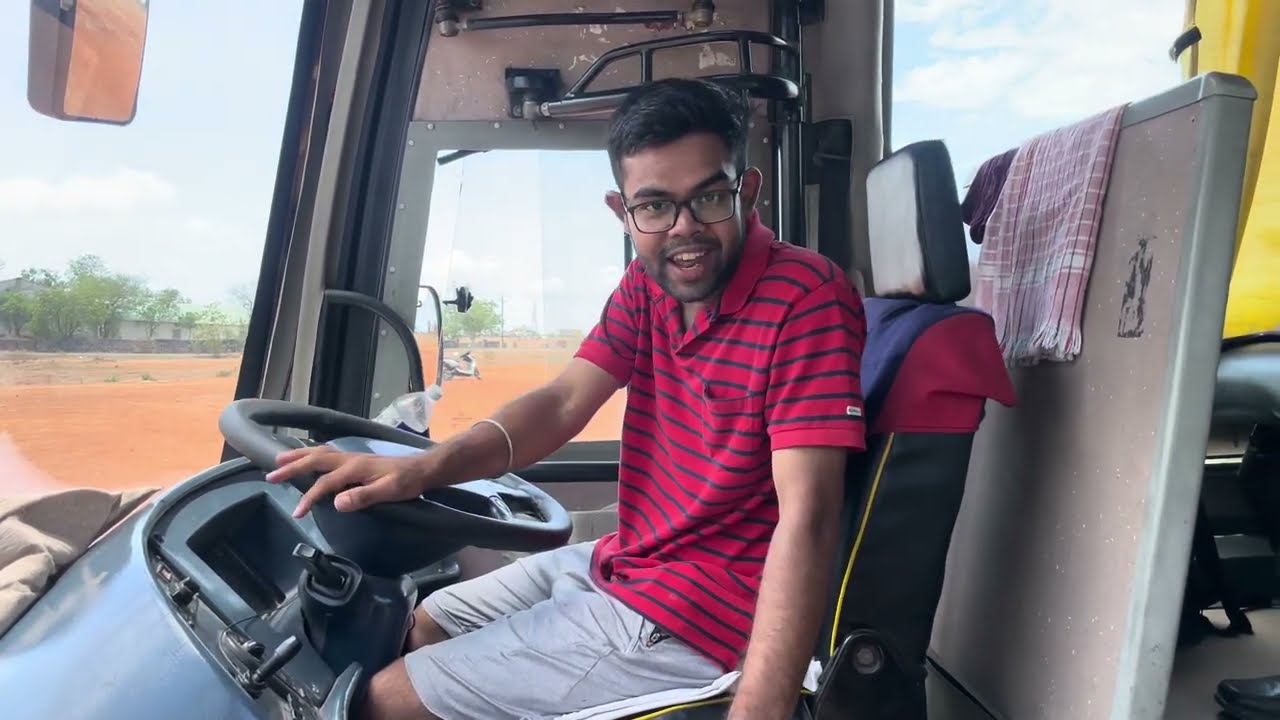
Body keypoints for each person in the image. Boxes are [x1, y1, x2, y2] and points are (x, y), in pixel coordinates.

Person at [267, 77, 868, 720]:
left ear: (746, 190)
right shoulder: (650, 282)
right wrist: (421, 467)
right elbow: (560, 404)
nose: (685, 230)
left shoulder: (807, 298)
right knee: (421, 624)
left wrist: (760, 712)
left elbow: (810, 514)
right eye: (657, 207)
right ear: (623, 211)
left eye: (710, 198)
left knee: (381, 703)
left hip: (701, 614)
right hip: (629, 563)